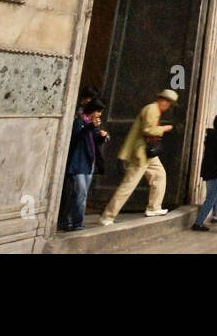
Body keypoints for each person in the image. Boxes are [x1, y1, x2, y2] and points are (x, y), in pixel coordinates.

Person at [100, 88, 176, 224]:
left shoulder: (155, 110)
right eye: (169, 103)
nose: (168, 106)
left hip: (148, 153)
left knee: (159, 175)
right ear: (164, 101)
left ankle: (154, 207)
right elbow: (148, 130)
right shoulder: (152, 109)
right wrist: (164, 129)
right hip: (141, 153)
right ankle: (108, 216)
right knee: (128, 185)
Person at [60, 97, 108, 231]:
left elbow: (94, 140)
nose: (99, 115)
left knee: (80, 194)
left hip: (89, 164)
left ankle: (71, 222)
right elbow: (77, 137)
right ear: (91, 110)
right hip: (78, 162)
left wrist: (102, 136)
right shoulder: (79, 121)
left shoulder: (92, 123)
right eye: (98, 111)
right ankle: (75, 223)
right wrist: (91, 126)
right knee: (79, 194)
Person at [191, 113, 217, 231]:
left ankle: (216, 216)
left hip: (208, 169)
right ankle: (198, 223)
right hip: (213, 170)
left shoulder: (212, 135)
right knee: (211, 197)